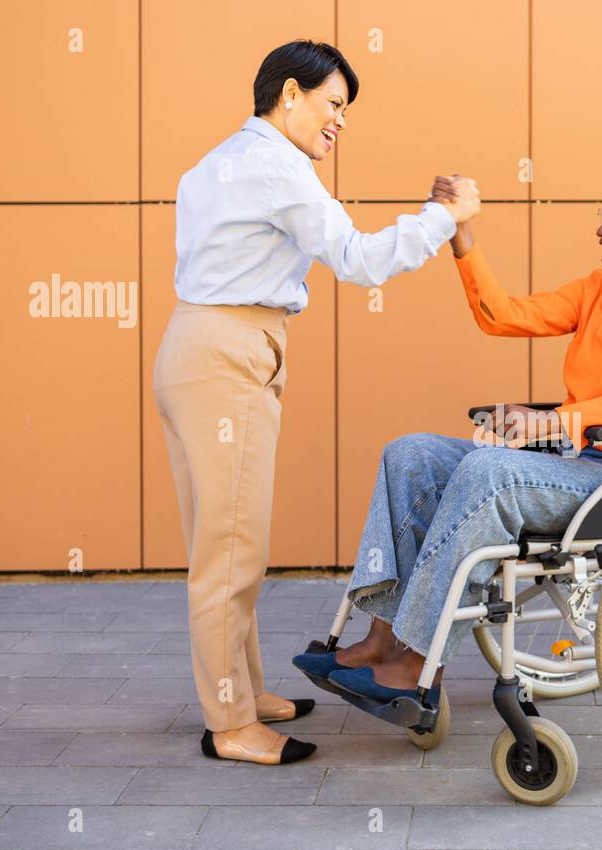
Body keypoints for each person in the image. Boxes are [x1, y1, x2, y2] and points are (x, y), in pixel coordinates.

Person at [152, 39, 480, 765]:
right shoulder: (278, 167)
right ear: (290, 93)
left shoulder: (218, 161)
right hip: (230, 352)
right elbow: (360, 259)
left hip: (195, 347)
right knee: (232, 554)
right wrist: (443, 217)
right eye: (334, 104)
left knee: (222, 543)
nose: (341, 121)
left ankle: (245, 690)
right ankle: (232, 724)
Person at [294, 177, 602, 708]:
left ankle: (418, 662)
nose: (600, 230)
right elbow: (502, 315)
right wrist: (460, 230)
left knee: (489, 470)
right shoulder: (597, 290)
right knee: (410, 454)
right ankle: (383, 638)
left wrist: (553, 421)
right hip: (574, 458)